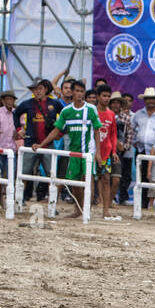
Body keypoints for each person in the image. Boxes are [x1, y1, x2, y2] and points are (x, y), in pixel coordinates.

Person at [33, 83, 104, 215]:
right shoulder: (66, 111)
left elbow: (96, 130)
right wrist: (42, 144)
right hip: (74, 151)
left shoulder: (91, 109)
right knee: (74, 182)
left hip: (88, 151)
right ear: (72, 92)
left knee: (88, 178)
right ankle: (79, 208)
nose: (79, 94)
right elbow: (56, 130)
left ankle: (87, 210)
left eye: (82, 91)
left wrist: (98, 152)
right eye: (77, 91)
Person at [15, 79, 63, 203]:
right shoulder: (27, 104)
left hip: (48, 144)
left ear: (46, 89)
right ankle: (18, 201)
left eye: (40, 88)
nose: (37, 91)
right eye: (35, 89)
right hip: (30, 144)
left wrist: (61, 132)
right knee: (23, 173)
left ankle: (52, 204)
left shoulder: (55, 104)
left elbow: (65, 116)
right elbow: (16, 113)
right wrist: (19, 129)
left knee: (52, 175)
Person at [109, 93, 135, 205]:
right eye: (114, 102)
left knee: (119, 176)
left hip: (120, 151)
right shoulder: (105, 114)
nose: (115, 105)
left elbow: (129, 134)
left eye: (118, 103)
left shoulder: (126, 117)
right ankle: (107, 198)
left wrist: (124, 148)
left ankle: (115, 197)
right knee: (105, 176)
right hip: (106, 149)